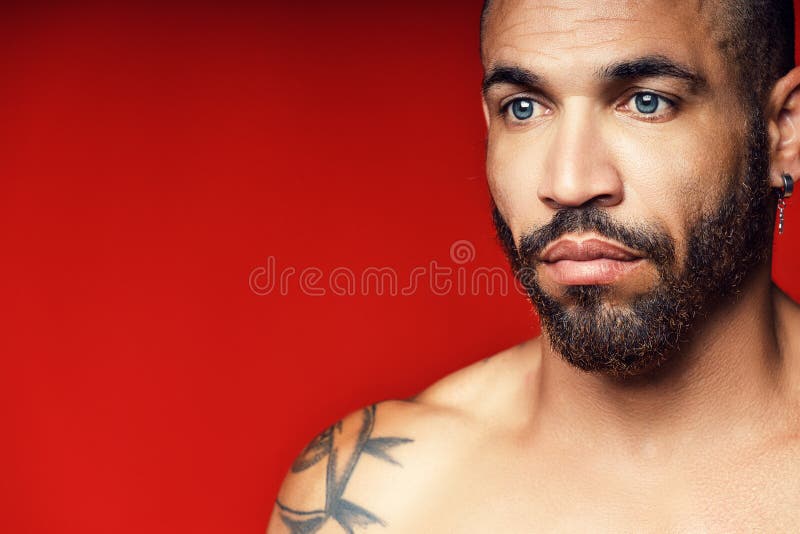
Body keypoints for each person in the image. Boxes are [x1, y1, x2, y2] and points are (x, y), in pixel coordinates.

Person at [268, 0, 800, 530]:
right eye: (523, 107)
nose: (568, 184)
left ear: (783, 129)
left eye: (646, 102)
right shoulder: (374, 498)